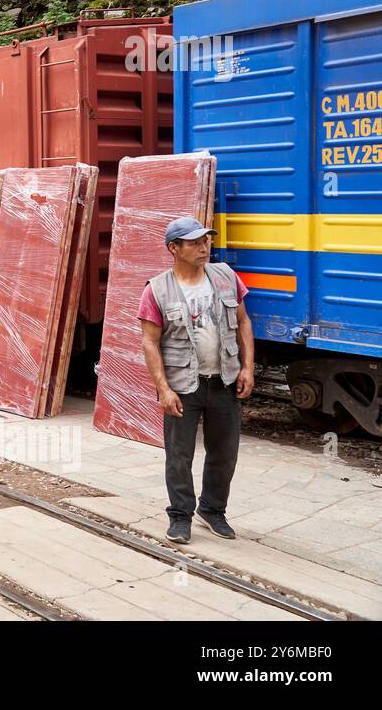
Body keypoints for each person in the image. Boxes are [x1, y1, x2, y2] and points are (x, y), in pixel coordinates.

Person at [139, 217, 255, 545]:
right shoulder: (157, 289)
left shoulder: (225, 277)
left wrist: (248, 366)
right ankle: (179, 516)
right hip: (183, 384)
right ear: (173, 248)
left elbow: (244, 322)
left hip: (224, 380)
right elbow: (149, 341)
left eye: (206, 240)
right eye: (193, 242)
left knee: (224, 451)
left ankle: (213, 510)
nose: (203, 247)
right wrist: (162, 387)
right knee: (179, 454)